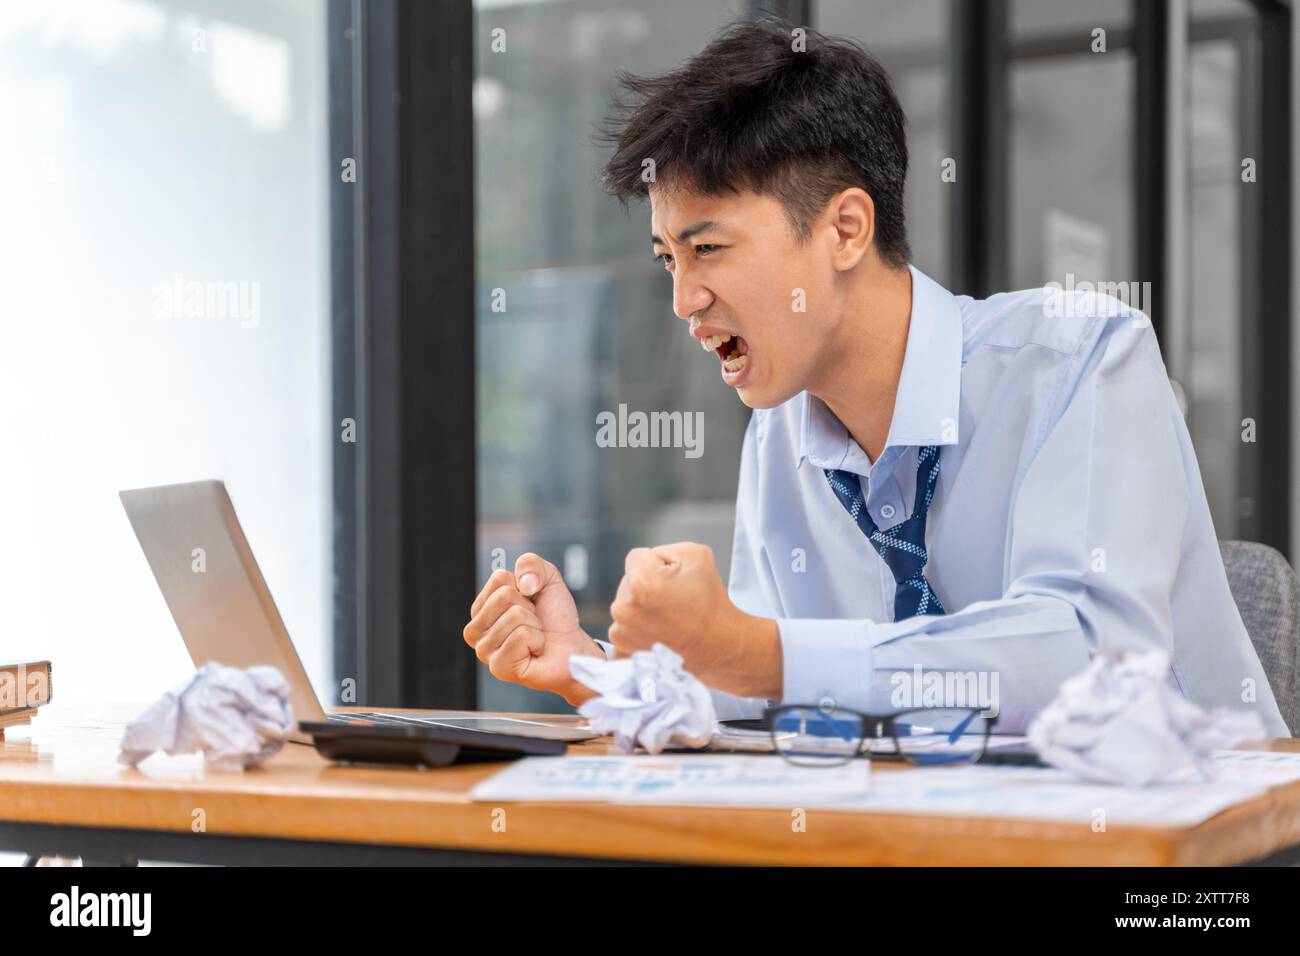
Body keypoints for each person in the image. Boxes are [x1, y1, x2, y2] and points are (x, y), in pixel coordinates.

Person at [462, 18, 1289, 737]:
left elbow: (1087, 659)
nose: (684, 300)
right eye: (667, 259)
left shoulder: (1082, 359)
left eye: (708, 249)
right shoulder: (781, 436)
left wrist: (755, 650)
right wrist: (589, 668)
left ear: (846, 229)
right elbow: (763, 695)